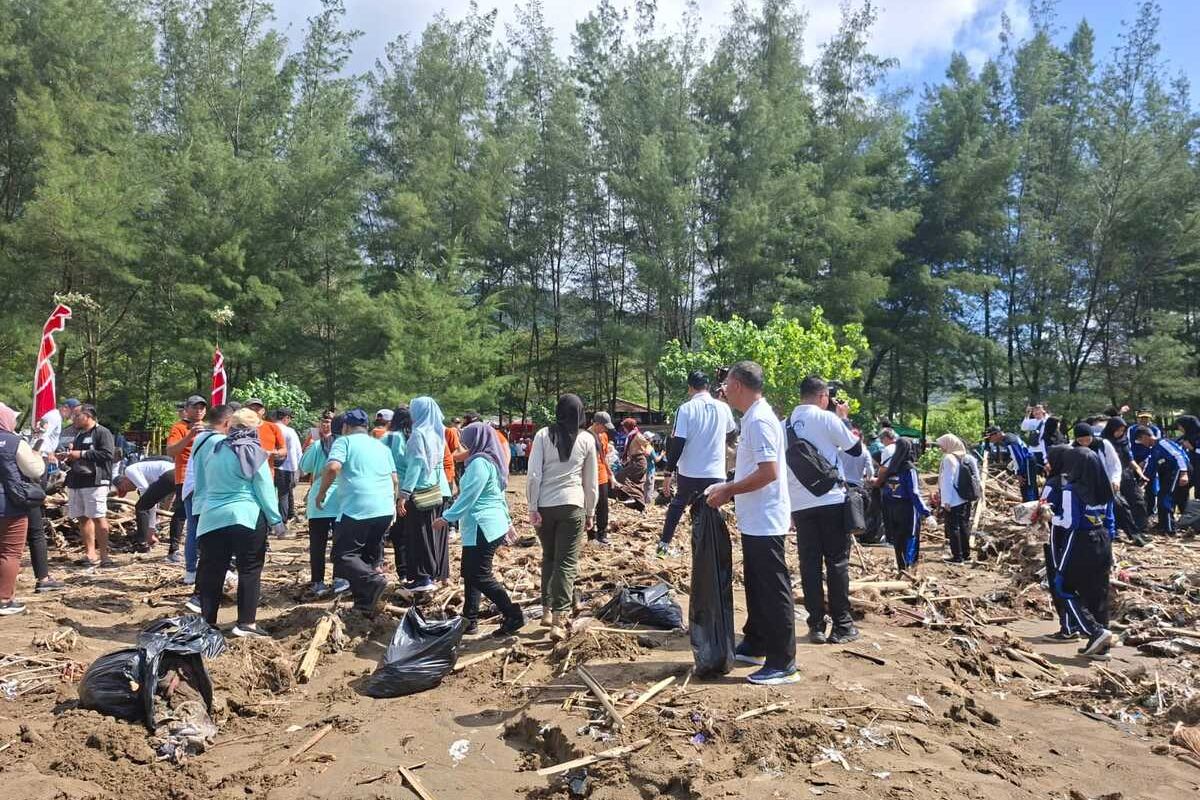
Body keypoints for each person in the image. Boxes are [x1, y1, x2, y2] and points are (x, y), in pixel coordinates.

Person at [705, 362, 797, 685]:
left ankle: (784, 661)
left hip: (766, 518)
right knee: (757, 585)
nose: (724, 390)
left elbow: (769, 472)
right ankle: (757, 640)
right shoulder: (753, 419)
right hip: (755, 517)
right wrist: (729, 486)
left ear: (739, 386)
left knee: (773, 587)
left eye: (727, 384)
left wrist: (729, 490)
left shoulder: (760, 421)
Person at [785, 376, 862, 646]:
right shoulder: (828, 418)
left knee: (809, 566)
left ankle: (816, 625)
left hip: (801, 505)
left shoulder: (786, 425)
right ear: (823, 397)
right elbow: (856, 450)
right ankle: (842, 625)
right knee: (837, 563)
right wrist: (843, 418)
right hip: (830, 500)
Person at [194, 408, 283, 636]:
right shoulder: (255, 452)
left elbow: (202, 485)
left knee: (211, 571)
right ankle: (246, 624)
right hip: (245, 515)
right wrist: (276, 520)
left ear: (231, 426)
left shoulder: (213, 450)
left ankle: (206, 623)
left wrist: (201, 512)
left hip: (211, 516)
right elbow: (264, 488)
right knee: (249, 569)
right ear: (254, 429)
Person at [435, 422, 523, 637]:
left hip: (483, 525)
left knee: (480, 575)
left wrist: (447, 517)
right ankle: (469, 619)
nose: (463, 446)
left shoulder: (479, 464)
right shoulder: (490, 459)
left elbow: (469, 495)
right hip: (483, 525)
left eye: (467, 441)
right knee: (471, 573)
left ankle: (513, 614)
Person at [527, 394, 598, 642]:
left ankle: (546, 611)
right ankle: (559, 618)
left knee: (549, 557)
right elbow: (590, 482)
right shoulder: (587, 439)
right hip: (572, 505)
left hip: (545, 505)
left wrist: (532, 506)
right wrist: (591, 511)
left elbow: (534, 475)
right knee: (566, 562)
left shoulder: (543, 435)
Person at [318, 408, 397, 613]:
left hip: (358, 507)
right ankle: (365, 605)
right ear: (367, 427)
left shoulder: (344, 442)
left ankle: (373, 581)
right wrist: (393, 503)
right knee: (368, 556)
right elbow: (394, 479)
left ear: (345, 426)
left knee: (342, 556)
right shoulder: (381, 446)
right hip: (384, 508)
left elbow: (333, 467)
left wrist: (321, 493)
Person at [658, 371, 738, 557]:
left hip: (690, 471)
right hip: (715, 472)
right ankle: (710, 551)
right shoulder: (723, 408)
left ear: (690, 387)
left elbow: (678, 443)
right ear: (708, 386)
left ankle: (663, 546)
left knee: (678, 506)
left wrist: (668, 473)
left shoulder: (686, 409)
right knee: (711, 511)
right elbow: (732, 433)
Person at [1051, 445, 1116, 658]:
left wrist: (1049, 517)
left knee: (1063, 586)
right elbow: (1109, 519)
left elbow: (1069, 522)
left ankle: (1094, 630)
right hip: (1103, 540)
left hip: (1079, 542)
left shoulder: (1072, 490)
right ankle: (1102, 646)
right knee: (1098, 593)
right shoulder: (1104, 489)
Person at [181, 403, 240, 610]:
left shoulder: (201, 438)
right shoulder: (219, 442)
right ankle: (201, 596)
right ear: (227, 422)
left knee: (206, 550)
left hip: (198, 497)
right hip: (211, 500)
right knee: (214, 553)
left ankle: (201, 594)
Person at [397, 397, 451, 593]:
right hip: (440, 489)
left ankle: (423, 577)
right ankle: (440, 575)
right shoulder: (439, 432)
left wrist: (404, 494)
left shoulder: (418, 434)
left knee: (420, 535)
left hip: (422, 491)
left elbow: (415, 466)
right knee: (438, 535)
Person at [0, 403, 46, 615]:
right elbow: (35, 470)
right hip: (9, 505)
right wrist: (37, 454)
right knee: (10, 552)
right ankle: (4, 600)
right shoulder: (13, 441)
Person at [299, 411, 348, 596]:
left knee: (317, 544)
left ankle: (318, 582)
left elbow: (304, 468)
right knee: (340, 543)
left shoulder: (318, 445)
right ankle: (339, 580)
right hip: (341, 500)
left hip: (318, 502)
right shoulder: (347, 447)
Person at [63, 404, 116, 568]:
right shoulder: (79, 435)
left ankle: (105, 556)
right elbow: (76, 456)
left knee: (98, 516)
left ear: (87, 416)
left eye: (77, 416)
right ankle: (90, 554)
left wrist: (81, 454)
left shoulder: (102, 432)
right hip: (77, 481)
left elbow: (108, 454)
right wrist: (68, 456)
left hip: (95, 481)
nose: (74, 419)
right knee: (82, 517)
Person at [875, 436, 930, 573]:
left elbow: (886, 491)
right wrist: (926, 513)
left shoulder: (891, 468)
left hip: (892, 508)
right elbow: (914, 493)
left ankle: (901, 566)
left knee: (898, 538)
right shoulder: (909, 468)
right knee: (909, 537)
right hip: (907, 508)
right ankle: (908, 568)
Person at [164, 395, 207, 564]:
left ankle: (199, 548)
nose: (199, 411)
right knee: (181, 513)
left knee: (201, 514)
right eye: (195, 407)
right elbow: (171, 451)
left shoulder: (208, 428)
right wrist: (190, 436)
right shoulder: (179, 427)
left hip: (204, 478)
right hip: (184, 476)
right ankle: (173, 549)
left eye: (202, 408)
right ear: (187, 409)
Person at [1136, 428, 1190, 535]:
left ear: (1146, 437)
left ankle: (1169, 528)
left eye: (1141, 441)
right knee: (1162, 496)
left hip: (1177, 470)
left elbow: (1179, 456)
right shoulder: (1154, 450)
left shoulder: (1163, 443)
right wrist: (1144, 479)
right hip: (1167, 474)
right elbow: (1151, 466)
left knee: (1166, 498)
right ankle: (1163, 524)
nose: (1142, 444)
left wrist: (1184, 473)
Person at [114, 457, 175, 551]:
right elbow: (152, 503)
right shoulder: (146, 476)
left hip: (169, 473)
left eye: (124, 488)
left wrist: (150, 531)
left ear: (123, 481)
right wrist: (151, 530)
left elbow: (145, 491)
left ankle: (142, 543)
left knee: (141, 507)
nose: (128, 490)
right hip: (177, 472)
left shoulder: (129, 470)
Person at [935, 434, 975, 564]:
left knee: (953, 527)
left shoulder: (948, 458)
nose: (941, 447)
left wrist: (945, 501)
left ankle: (957, 556)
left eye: (942, 444)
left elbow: (947, 481)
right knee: (963, 526)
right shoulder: (960, 457)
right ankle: (966, 554)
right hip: (962, 497)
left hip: (953, 499)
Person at [381, 406, 411, 578]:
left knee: (395, 530)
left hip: (391, 487)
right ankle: (409, 571)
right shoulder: (413, 437)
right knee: (406, 530)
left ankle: (401, 571)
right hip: (411, 488)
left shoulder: (389, 437)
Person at [984, 425, 1039, 501]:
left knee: (1028, 487)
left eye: (990, 437)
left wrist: (1018, 474)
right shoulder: (1008, 435)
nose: (989, 440)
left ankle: (1031, 505)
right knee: (1030, 486)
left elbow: (1018, 458)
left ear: (997, 434)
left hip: (1027, 462)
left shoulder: (1009, 441)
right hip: (1026, 462)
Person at [611, 418, 651, 511]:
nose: (623, 429)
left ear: (628, 427)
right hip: (633, 461)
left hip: (639, 461)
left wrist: (647, 451)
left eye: (624, 427)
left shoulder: (637, 435)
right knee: (636, 482)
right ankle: (639, 503)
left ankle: (631, 498)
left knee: (621, 477)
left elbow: (647, 444)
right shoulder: (630, 436)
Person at [587, 412, 614, 546]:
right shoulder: (584, 436)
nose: (605, 429)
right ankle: (591, 535)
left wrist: (611, 475)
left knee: (603, 506)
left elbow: (604, 457)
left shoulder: (603, 436)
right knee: (589, 506)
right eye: (604, 426)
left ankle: (602, 534)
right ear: (596, 424)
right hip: (589, 476)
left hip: (602, 475)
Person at [273, 408, 303, 527]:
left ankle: (289, 514)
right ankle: (282, 521)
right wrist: (301, 468)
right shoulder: (290, 431)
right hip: (287, 467)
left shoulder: (270, 428)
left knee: (275, 493)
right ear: (286, 418)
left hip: (271, 466)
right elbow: (297, 451)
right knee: (284, 494)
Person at [244, 399, 287, 479]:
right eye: (251, 409)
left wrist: (275, 453)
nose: (254, 412)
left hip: (267, 473)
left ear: (263, 411)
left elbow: (283, 450)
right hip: (244, 472)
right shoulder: (239, 427)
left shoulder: (272, 427)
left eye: (257, 409)